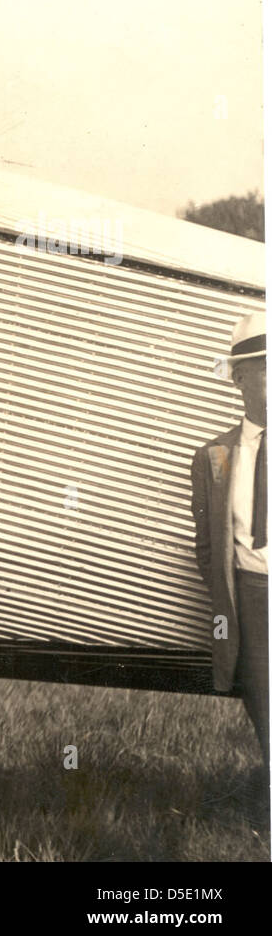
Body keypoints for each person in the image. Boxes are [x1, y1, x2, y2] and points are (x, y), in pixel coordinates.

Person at [191, 310, 268, 800]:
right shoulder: (215, 457)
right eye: (266, 368)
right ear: (239, 378)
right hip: (255, 602)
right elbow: (206, 546)